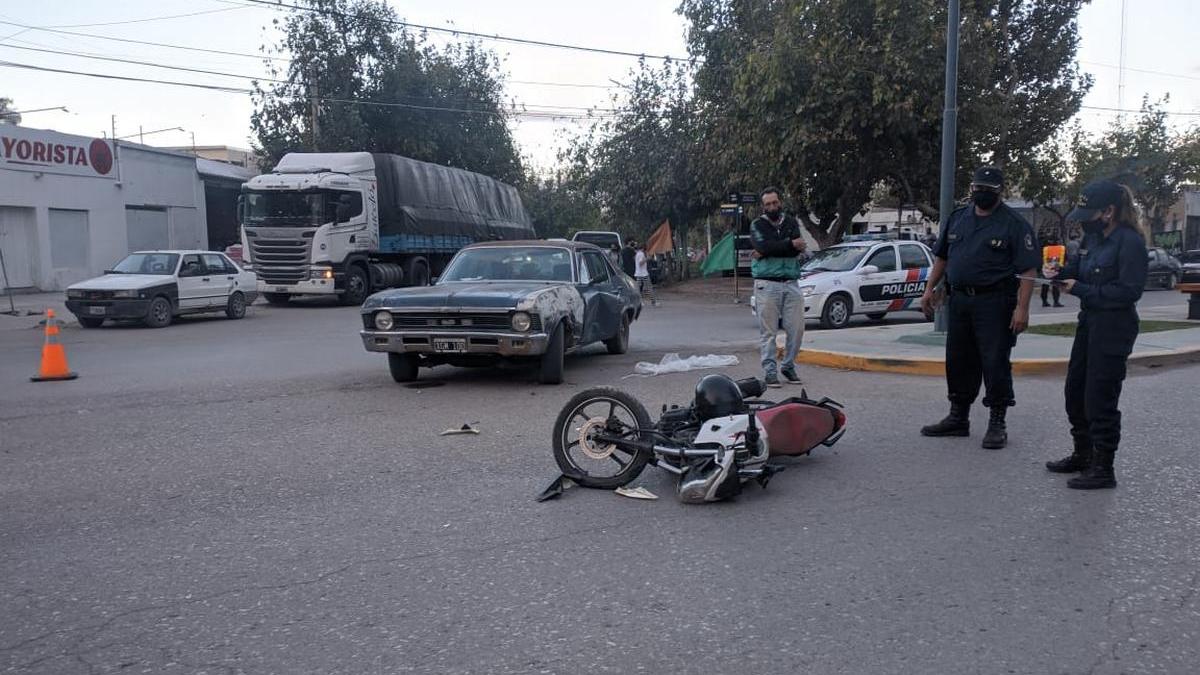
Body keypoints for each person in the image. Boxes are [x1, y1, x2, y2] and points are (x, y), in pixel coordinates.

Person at [919, 166, 1039, 449]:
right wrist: (928, 289)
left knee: (995, 361)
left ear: (999, 192)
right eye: (978, 188)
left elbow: (1028, 269)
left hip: (995, 302)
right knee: (959, 360)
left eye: (988, 190)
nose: (981, 194)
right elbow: (942, 258)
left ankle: (997, 421)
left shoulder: (1013, 223)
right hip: (959, 300)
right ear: (971, 189)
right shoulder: (958, 218)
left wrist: (1022, 309)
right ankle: (958, 417)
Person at [1043, 180, 1148, 489]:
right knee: (1075, 391)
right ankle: (1083, 453)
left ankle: (1103, 467)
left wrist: (1082, 289)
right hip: (1090, 322)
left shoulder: (1129, 242)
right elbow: (1078, 267)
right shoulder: (1095, 239)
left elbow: (1129, 291)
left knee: (1099, 397)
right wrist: (1059, 273)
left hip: (1114, 326)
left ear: (1109, 211)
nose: (1084, 219)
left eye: (1089, 213)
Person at [749, 187, 806, 387]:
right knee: (768, 332)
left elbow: (795, 249)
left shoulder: (791, 222)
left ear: (780, 202)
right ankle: (770, 371)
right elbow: (763, 246)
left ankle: (788, 366)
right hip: (767, 284)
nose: (772, 206)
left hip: (791, 282)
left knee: (797, 329)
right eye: (768, 204)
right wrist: (790, 244)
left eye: (775, 202)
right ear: (763, 206)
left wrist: (774, 248)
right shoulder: (757, 225)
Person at [1040, 234, 1064, 308]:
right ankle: (1056, 302)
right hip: (1057, 269)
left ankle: (1044, 302)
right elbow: (1065, 258)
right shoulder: (1061, 248)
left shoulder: (1044, 248)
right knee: (1056, 286)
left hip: (1046, 269)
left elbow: (1040, 258)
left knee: (1045, 286)